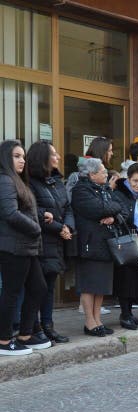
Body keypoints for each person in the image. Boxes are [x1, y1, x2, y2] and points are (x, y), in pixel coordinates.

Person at [0, 140, 51, 355]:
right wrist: (35, 228)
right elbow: (9, 213)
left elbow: (23, 209)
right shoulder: (4, 180)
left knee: (38, 287)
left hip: (26, 246)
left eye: (23, 156)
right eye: (16, 156)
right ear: (5, 158)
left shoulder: (17, 181)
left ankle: (25, 334)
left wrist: (40, 216)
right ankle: (3, 341)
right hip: (13, 247)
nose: (22, 160)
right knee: (11, 293)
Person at [69, 157, 124, 336]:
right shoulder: (80, 190)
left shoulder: (104, 189)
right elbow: (97, 209)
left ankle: (97, 319)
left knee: (101, 284)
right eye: (103, 172)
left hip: (105, 243)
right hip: (89, 243)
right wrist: (110, 209)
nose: (106, 174)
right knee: (89, 284)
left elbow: (120, 206)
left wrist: (113, 216)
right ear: (92, 175)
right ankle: (89, 322)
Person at [27, 140, 74, 344]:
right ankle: (34, 327)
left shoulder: (57, 182)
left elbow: (68, 208)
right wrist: (58, 227)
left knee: (50, 287)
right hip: (40, 241)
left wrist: (68, 227)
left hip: (57, 242)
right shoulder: (30, 182)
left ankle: (48, 326)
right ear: (43, 158)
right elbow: (34, 212)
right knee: (37, 288)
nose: (58, 157)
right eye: (54, 154)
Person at [111, 163, 138, 330]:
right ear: (128, 179)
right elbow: (120, 214)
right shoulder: (119, 193)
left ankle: (130, 313)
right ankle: (124, 314)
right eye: (135, 181)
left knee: (136, 278)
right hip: (125, 240)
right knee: (125, 278)